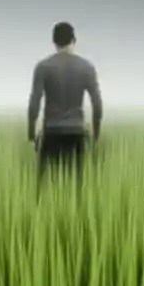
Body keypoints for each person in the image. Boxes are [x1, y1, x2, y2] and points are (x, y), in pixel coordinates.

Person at [28, 21, 102, 184]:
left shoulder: (43, 67)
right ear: (73, 40)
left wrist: (31, 134)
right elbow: (97, 103)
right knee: (76, 187)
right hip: (76, 132)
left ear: (54, 42)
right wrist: (95, 134)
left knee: (44, 187)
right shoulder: (86, 67)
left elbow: (34, 103)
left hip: (51, 132)